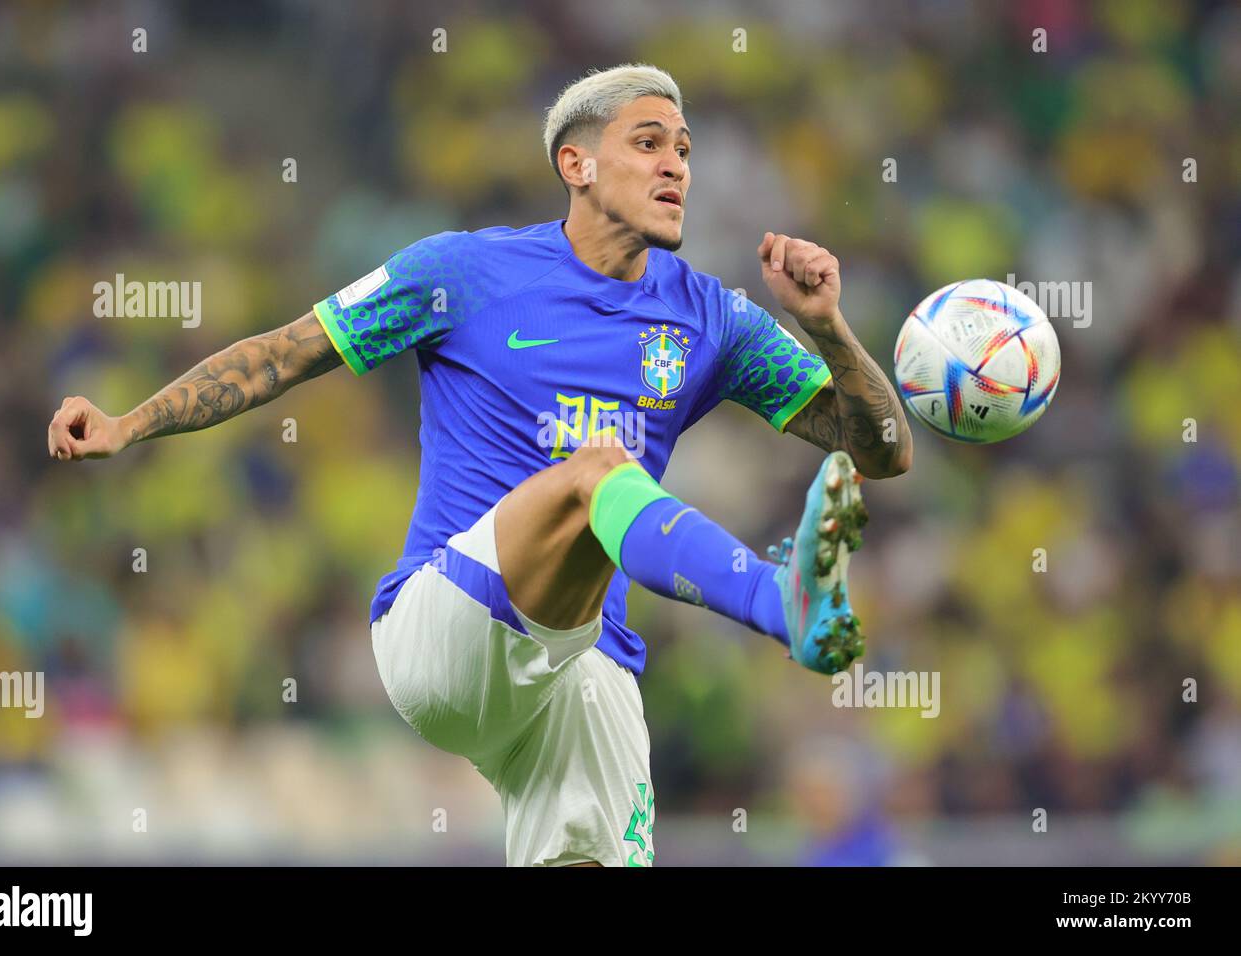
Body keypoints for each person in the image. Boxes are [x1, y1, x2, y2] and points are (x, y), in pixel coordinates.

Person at [46, 63, 913, 866]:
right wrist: (130, 423)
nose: (676, 166)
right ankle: (779, 599)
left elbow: (881, 450)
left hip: (580, 665)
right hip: (444, 628)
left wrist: (829, 327)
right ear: (575, 163)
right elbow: (283, 354)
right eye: (648, 143)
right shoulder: (464, 272)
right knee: (595, 471)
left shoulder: (710, 317)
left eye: (684, 149)